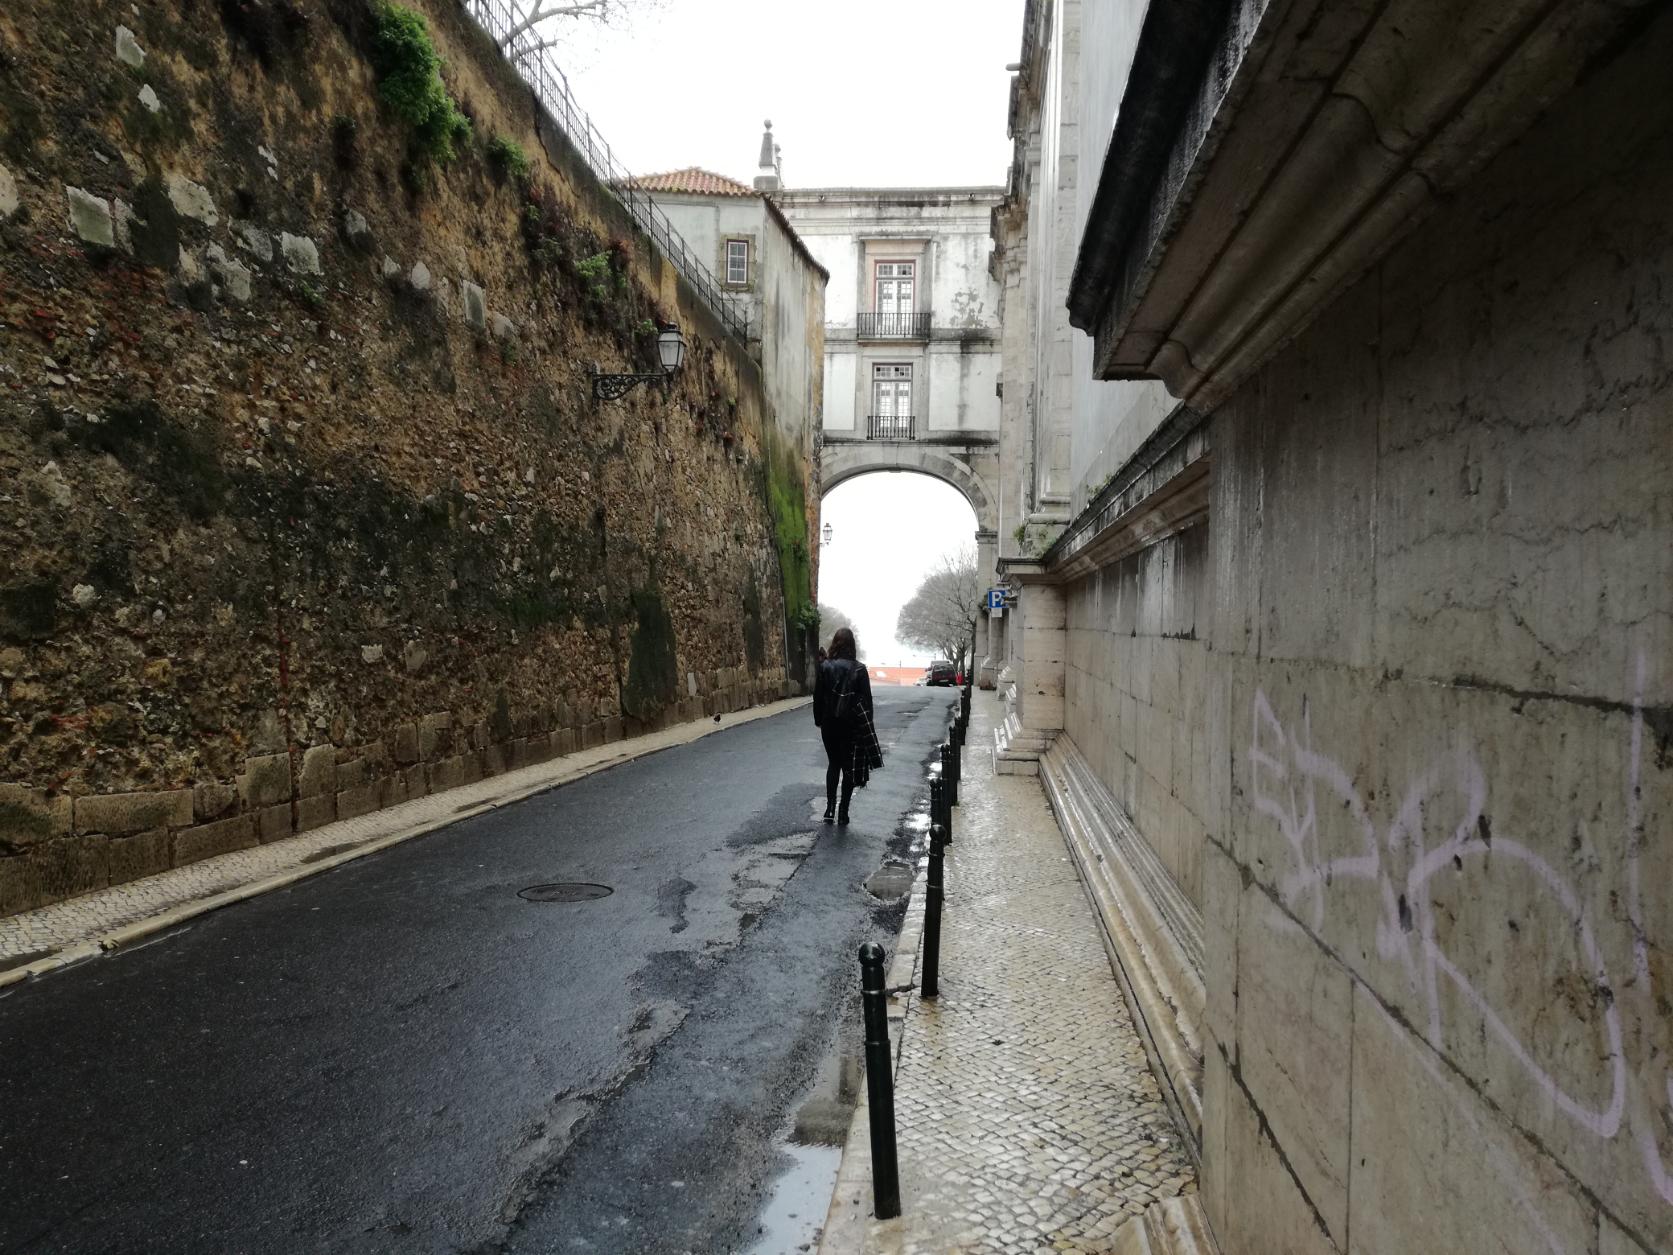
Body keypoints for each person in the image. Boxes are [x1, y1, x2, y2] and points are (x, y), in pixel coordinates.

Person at [813, 627, 875, 825]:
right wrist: (868, 726)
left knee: (833, 764)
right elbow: (867, 701)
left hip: (829, 724)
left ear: (835, 644)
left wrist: (818, 720)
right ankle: (843, 811)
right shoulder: (860, 669)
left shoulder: (825, 667)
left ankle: (830, 808)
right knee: (848, 767)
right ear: (852, 645)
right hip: (851, 725)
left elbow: (818, 697)